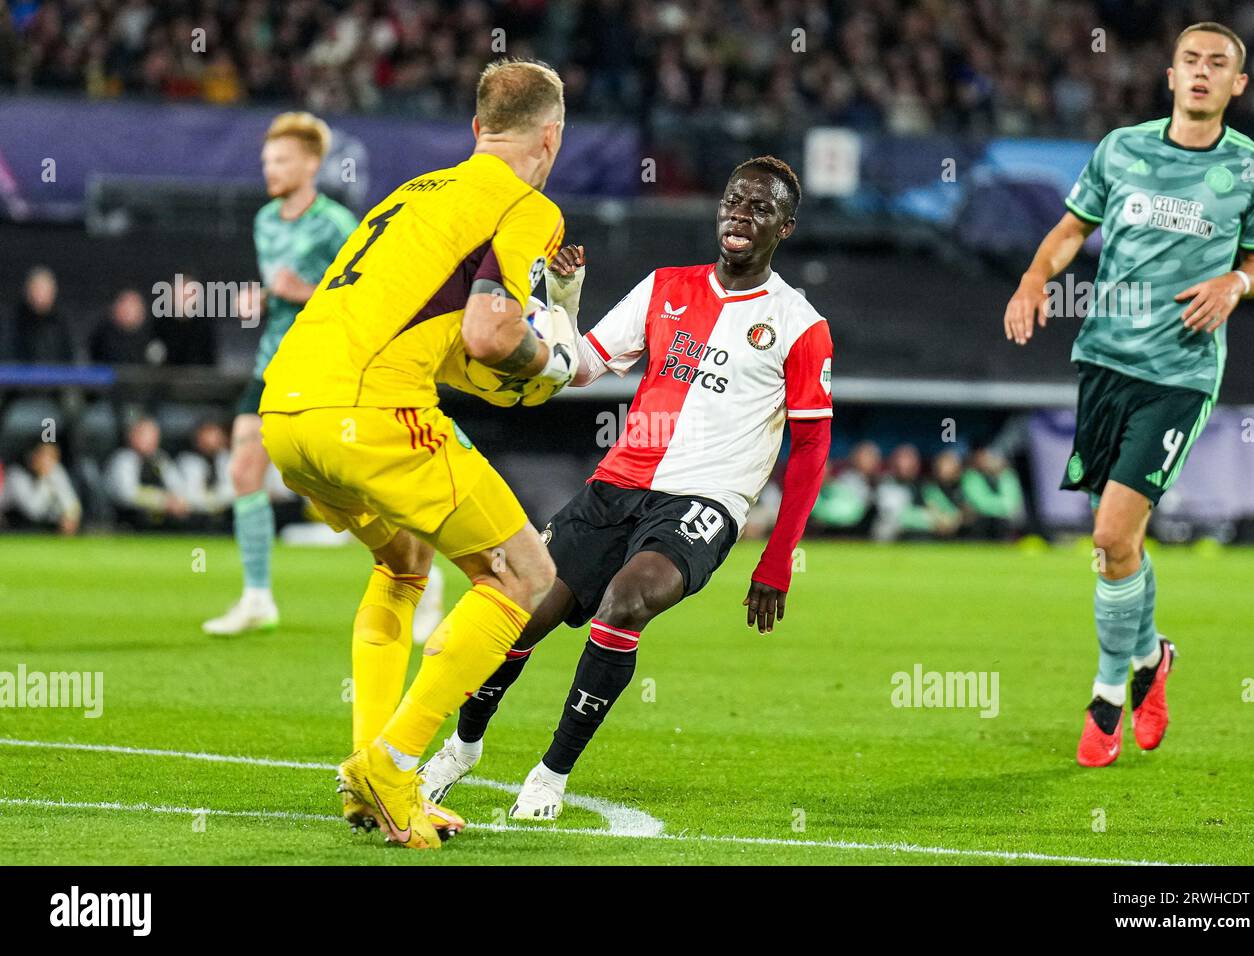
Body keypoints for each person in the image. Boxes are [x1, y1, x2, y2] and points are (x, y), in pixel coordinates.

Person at [418, 155, 834, 821]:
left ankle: (551, 775)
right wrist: (562, 305)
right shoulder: (664, 286)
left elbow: (812, 446)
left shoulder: (798, 324)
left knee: (626, 600)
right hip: (617, 484)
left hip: (703, 502)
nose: (740, 215)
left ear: (784, 227)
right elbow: (580, 368)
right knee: (523, 610)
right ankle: (463, 747)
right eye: (733, 200)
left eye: (760, 208)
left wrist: (778, 557)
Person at [258, 59, 578, 849]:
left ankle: (366, 776)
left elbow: (452, 351)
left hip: (285, 410)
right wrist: (553, 358)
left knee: (402, 564)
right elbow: (492, 335)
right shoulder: (528, 206)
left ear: (476, 131)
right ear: (552, 137)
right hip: (370, 413)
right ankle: (397, 765)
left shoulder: (408, 195)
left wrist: (528, 372)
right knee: (526, 576)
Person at [1002, 22, 1254, 767]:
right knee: (1116, 549)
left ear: (1238, 85)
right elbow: (1069, 231)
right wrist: (1035, 281)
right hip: (1104, 360)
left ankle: (1105, 694)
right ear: (1169, 74)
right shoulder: (1121, 148)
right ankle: (1152, 657)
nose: (1201, 72)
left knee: (1108, 536)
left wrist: (1233, 282)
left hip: (1180, 373)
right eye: (1190, 60)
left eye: (1217, 64)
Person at [201, 112, 446, 635]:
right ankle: (257, 597)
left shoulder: (337, 224)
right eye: (267, 159)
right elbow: (280, 286)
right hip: (273, 362)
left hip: (325, 368)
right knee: (245, 470)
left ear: (312, 163)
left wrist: (301, 292)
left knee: (345, 483)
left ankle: (419, 572)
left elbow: (369, 295)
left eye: (283, 159)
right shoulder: (264, 220)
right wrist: (262, 297)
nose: (271, 168)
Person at [105, 416, 191, 530]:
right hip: (126, 520)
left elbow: (177, 485)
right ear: (132, 436)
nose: (148, 440)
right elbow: (127, 494)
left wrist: (178, 500)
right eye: (143, 435)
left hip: (160, 520)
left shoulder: (160, 459)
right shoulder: (123, 459)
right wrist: (163, 501)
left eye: (152, 435)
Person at [2, 442, 81, 534]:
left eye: (53, 458)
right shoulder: (16, 474)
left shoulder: (55, 470)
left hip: (43, 528)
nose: (48, 462)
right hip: (13, 527)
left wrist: (70, 517)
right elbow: (34, 510)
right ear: (33, 456)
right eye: (44, 456)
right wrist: (44, 477)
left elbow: (70, 500)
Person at [4, 267, 75, 364]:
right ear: (27, 291)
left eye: (45, 290)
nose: (40, 295)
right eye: (37, 289)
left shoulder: (61, 324)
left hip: (55, 377)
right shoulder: (14, 322)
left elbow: (70, 356)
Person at [961, 447, 1025, 540]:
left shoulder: (1007, 476)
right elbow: (980, 503)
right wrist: (999, 508)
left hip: (1005, 519)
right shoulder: (971, 476)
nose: (987, 460)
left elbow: (1011, 502)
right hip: (982, 519)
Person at [88, 290, 161, 365]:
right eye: (125, 305)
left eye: (133, 306)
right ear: (115, 309)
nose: (128, 311)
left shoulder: (153, 336)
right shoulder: (102, 337)